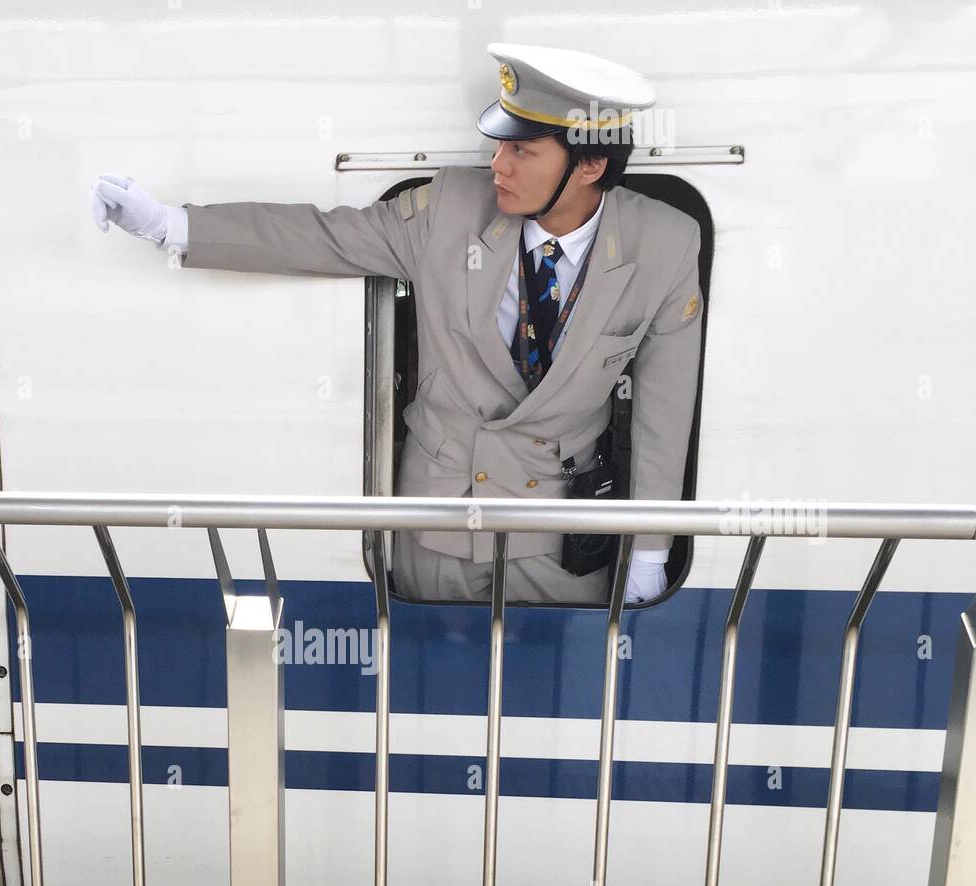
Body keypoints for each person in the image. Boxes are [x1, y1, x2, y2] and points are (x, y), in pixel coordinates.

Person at [90, 42, 703, 606]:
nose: (498, 166)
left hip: (558, 544)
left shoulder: (665, 244)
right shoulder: (450, 208)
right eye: (499, 145)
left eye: (522, 150)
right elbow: (323, 237)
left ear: (590, 165)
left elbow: (664, 414)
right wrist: (168, 225)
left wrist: (651, 549)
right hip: (435, 532)